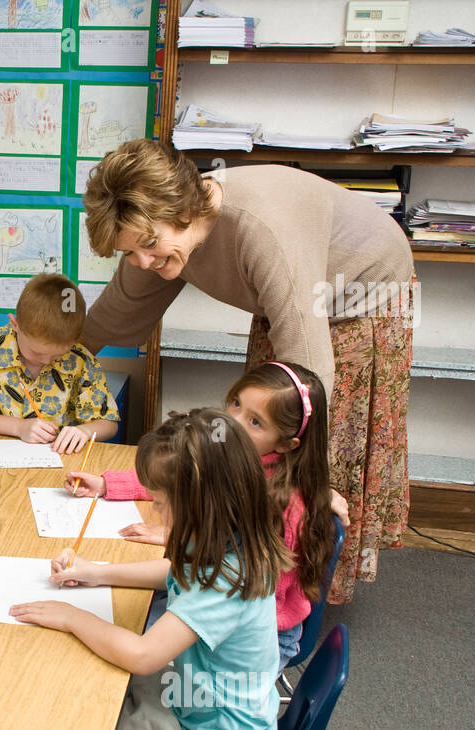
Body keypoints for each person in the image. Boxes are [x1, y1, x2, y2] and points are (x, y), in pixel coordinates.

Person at [81, 139, 414, 603]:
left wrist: (315, 484)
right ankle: (229, 555)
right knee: (254, 434)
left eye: (148, 246)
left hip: (362, 292)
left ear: (183, 208)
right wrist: (55, 356)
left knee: (294, 441)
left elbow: (310, 377)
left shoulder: (261, 230)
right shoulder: (157, 235)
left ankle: (297, 593)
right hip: (290, 299)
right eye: (129, 251)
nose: (141, 263)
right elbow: (118, 312)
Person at [10, 408, 289, 730]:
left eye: (160, 502)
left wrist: (71, 617)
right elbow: (171, 572)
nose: (154, 510)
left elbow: (142, 655)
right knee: (91, 700)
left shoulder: (224, 577)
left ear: (201, 504)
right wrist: (96, 573)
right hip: (202, 700)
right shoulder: (226, 538)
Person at [0, 272, 121, 454]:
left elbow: (109, 424)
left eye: (57, 355)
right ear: (15, 324)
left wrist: (84, 431)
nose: (45, 361)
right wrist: (19, 428)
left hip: (58, 460)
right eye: (36, 352)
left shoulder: (81, 360)